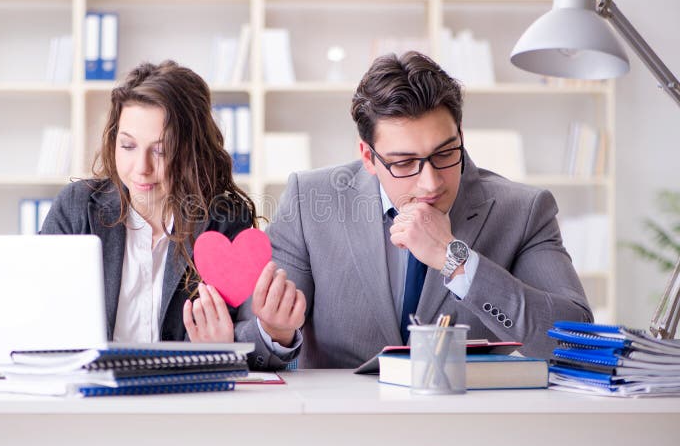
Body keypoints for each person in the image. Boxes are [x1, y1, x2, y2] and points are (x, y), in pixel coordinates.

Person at [259, 51, 592, 368]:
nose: (431, 183)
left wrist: (457, 262)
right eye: (404, 163)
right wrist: (276, 334)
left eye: (446, 153)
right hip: (343, 422)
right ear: (368, 157)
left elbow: (576, 342)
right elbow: (255, 344)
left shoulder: (523, 211)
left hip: (464, 421)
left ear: (460, 135)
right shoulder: (309, 199)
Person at [41, 60, 305, 370]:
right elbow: (37, 309)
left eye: (161, 150)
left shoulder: (224, 220)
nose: (141, 167)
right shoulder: (77, 207)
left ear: (191, 150)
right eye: (127, 145)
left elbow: (248, 329)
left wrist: (231, 346)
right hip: (92, 396)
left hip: (184, 402)